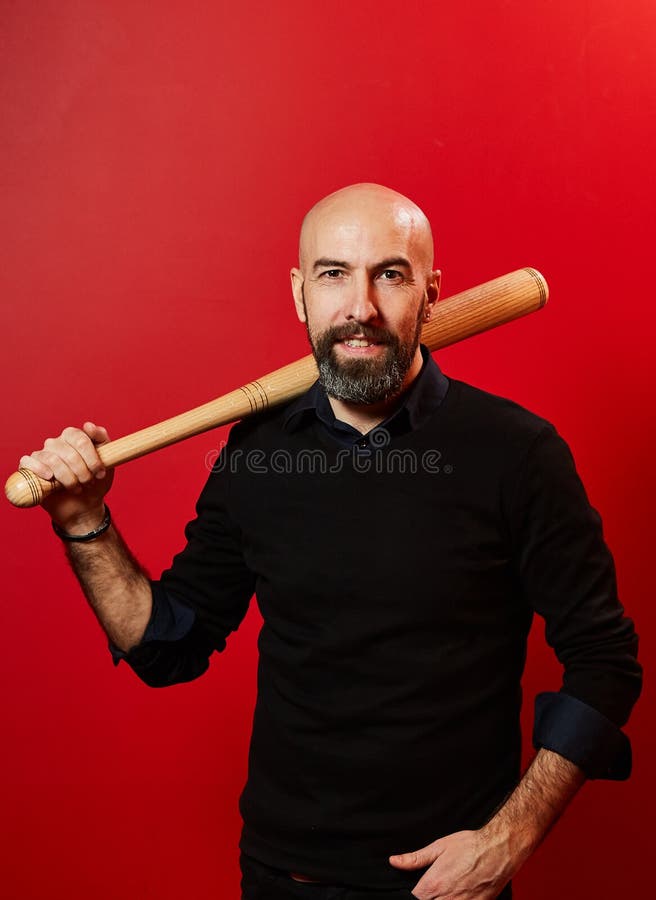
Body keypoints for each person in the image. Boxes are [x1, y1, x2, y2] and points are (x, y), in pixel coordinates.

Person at [19, 184, 641, 899]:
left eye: (392, 274)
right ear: (299, 293)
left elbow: (604, 662)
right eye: (333, 273)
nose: (361, 308)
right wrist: (82, 523)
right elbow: (166, 647)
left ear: (432, 294)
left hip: (447, 885)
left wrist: (509, 839)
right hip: (286, 876)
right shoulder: (257, 452)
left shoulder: (517, 454)